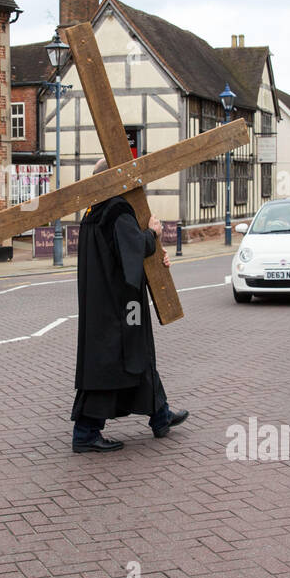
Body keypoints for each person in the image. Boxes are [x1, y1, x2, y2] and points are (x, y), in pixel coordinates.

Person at [71, 158, 188, 452]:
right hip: (122, 307)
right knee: (112, 364)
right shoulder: (117, 210)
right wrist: (153, 235)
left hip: (102, 304)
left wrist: (154, 256)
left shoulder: (91, 211)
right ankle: (85, 433)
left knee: (138, 357)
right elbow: (131, 251)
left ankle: (160, 415)